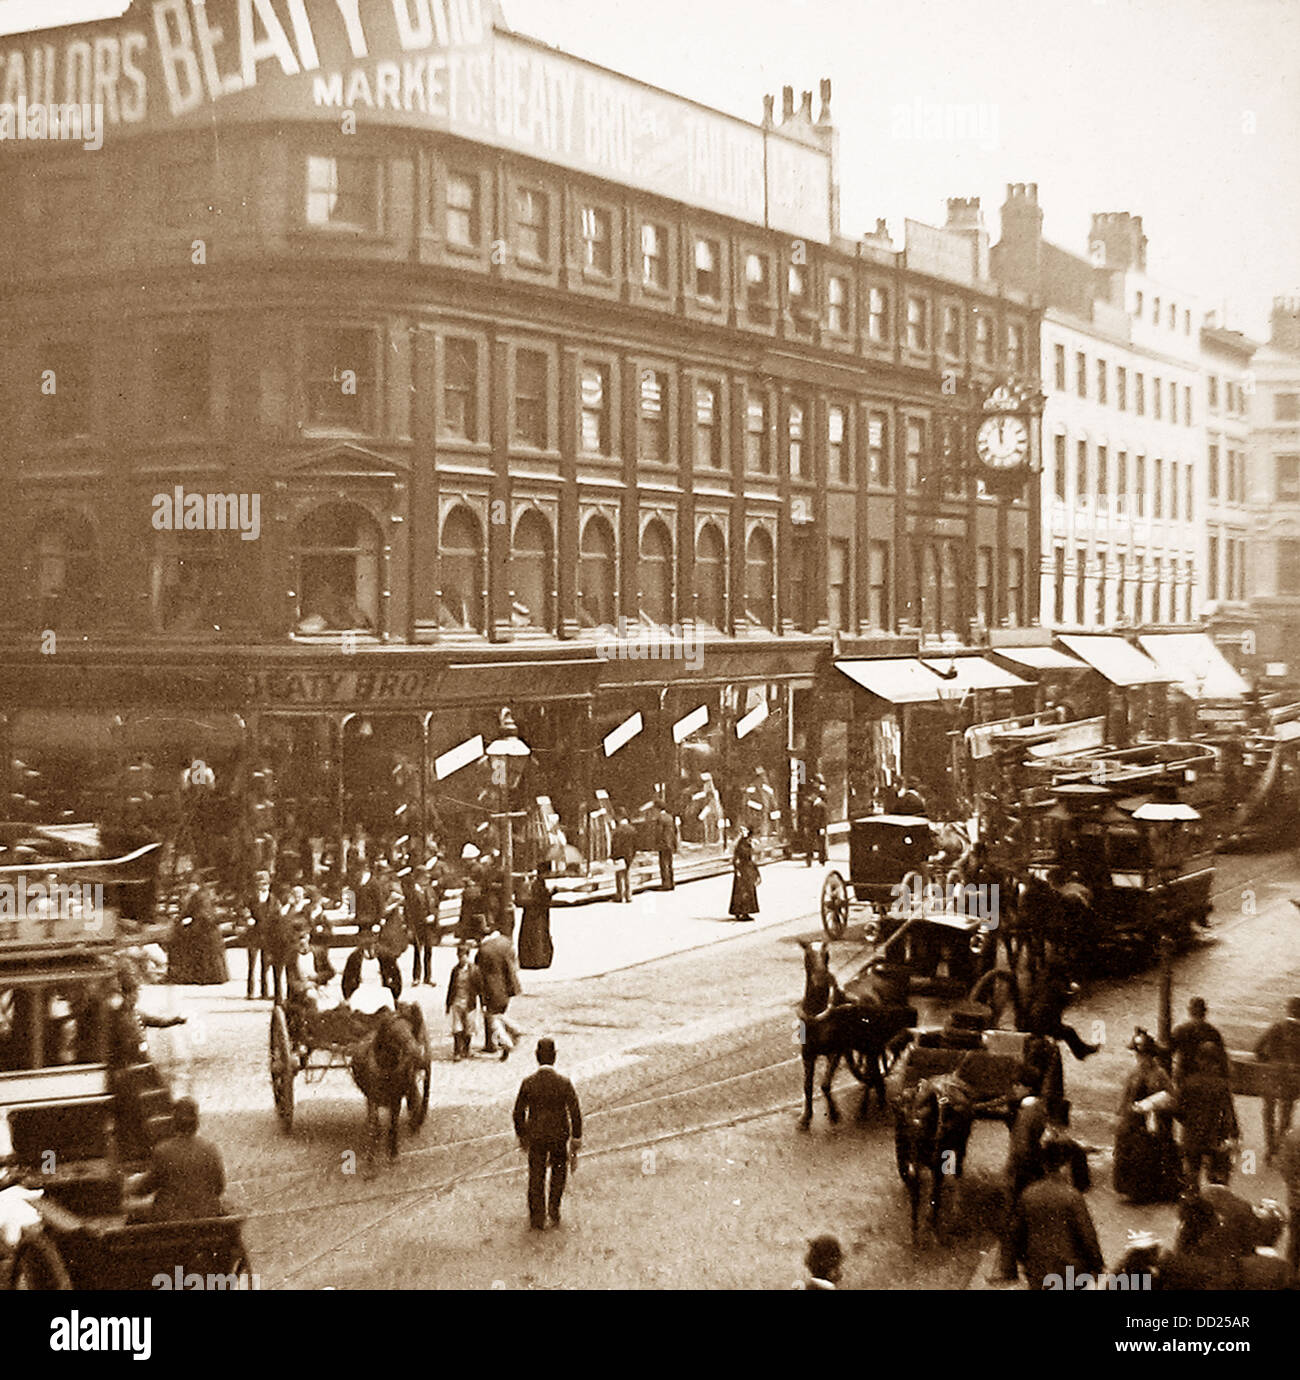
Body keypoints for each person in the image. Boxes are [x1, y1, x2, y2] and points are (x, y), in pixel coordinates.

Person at [1009, 1136, 1105, 1290]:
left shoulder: (1028, 1194)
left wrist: (1025, 1262)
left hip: (1038, 1271)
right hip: (1070, 1272)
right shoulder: (1072, 1196)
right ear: (1066, 1166)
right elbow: (1087, 1234)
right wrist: (1097, 1265)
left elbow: (1017, 1234)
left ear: (1044, 1165)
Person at [512, 1037, 582, 1230]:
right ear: (554, 1057)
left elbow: (518, 1113)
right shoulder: (564, 1083)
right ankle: (554, 1209)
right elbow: (575, 1111)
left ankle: (537, 1217)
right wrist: (576, 1136)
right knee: (559, 1172)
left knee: (536, 1175)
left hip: (536, 1136)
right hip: (559, 1136)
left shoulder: (528, 1083)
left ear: (537, 1056)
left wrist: (523, 1135)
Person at [127, 1096, 225, 1223]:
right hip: (207, 1215)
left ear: (174, 1122)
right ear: (196, 1122)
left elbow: (146, 1188)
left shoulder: (163, 1150)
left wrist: (132, 1185)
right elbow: (219, 1187)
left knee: (134, 1216)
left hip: (170, 1217)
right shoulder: (210, 1149)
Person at [1113, 1030, 1181, 1205]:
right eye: (1139, 1055)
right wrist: (1123, 1112)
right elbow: (1125, 1098)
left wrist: (1156, 1104)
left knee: (1153, 1150)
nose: (1141, 1059)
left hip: (1154, 1120)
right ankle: (1133, 1190)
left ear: (1151, 1056)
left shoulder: (1159, 1074)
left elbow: (1172, 1098)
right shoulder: (1133, 1074)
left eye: (1144, 1055)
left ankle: (1154, 1190)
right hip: (1134, 1119)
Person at [1176, 1042, 1240, 1189]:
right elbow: (1228, 1112)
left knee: (1192, 1176)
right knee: (1218, 1180)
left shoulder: (1188, 1083)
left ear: (1199, 1061)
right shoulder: (1221, 1085)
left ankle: (1193, 1199)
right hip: (1215, 1136)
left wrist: (1188, 1122)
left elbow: (1178, 1110)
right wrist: (1234, 1132)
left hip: (1192, 1136)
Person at [1254, 996, 1300, 1162]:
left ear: (1288, 1010)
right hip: (1292, 1076)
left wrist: (1268, 1061)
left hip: (1272, 1074)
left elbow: (1257, 1048)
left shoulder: (1277, 1027)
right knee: (1286, 1112)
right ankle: (1281, 1146)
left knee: (1268, 1111)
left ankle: (1270, 1146)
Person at [477, 925, 523, 1059]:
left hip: (492, 990)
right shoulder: (505, 942)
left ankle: (504, 1040)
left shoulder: (484, 951)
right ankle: (510, 1032)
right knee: (500, 1015)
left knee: (492, 1018)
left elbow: (480, 976)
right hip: (508, 987)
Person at [1170, 997, 1227, 1083]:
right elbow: (1223, 1060)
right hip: (1207, 1078)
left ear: (1189, 1010)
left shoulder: (1181, 1030)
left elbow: (1168, 1051)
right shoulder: (1213, 1031)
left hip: (1184, 1076)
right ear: (1205, 1012)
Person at [341, 931, 402, 1009]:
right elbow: (347, 978)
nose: (369, 948)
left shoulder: (386, 956)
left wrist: (394, 994)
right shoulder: (354, 957)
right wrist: (348, 996)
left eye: (371, 944)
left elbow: (396, 976)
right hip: (361, 990)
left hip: (381, 990)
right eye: (366, 945)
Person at [445, 941, 483, 1061]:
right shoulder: (455, 970)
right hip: (457, 1001)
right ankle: (457, 1051)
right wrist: (448, 1004)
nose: (461, 959)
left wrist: (483, 1003)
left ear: (467, 956)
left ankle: (466, 1049)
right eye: (459, 956)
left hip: (469, 1002)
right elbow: (451, 987)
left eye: (463, 956)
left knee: (468, 1027)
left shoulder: (474, 970)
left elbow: (480, 988)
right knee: (457, 1027)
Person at [242, 870, 275, 1000]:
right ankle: (250, 992)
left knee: (265, 964)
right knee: (252, 964)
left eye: (265, 884)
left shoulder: (273, 899)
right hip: (254, 934)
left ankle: (264, 992)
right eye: (260, 884)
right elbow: (243, 909)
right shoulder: (251, 898)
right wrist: (248, 918)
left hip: (267, 934)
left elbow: (277, 914)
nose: (263, 886)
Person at [518, 867, 554, 970]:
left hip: (529, 913)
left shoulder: (527, 883)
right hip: (538, 914)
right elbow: (542, 897)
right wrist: (552, 892)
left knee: (530, 936)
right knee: (538, 936)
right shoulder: (538, 882)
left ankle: (528, 960)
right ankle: (538, 960)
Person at [1281, 1123, 1300, 1275]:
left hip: (1297, 1201)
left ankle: (1290, 1277)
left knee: (1295, 1243)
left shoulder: (1294, 1136)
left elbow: (1286, 1168)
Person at [729, 828, 760, 922]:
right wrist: (737, 869)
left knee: (748, 890)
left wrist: (756, 871)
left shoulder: (749, 843)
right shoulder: (740, 844)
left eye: (745, 831)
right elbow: (736, 858)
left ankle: (746, 912)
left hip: (748, 869)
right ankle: (739, 912)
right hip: (742, 869)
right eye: (743, 831)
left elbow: (752, 858)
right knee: (740, 891)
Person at [611, 814, 638, 903]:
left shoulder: (617, 831)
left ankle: (620, 895)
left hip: (620, 855)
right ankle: (628, 895)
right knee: (628, 874)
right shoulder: (632, 829)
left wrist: (613, 856)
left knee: (619, 875)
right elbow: (636, 844)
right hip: (629, 855)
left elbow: (615, 845)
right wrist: (633, 854)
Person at [652, 803, 678, 891]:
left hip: (663, 843)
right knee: (670, 864)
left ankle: (666, 884)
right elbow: (674, 831)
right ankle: (671, 882)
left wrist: (656, 843)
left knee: (664, 864)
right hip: (670, 843)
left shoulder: (660, 818)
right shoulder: (670, 817)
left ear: (658, 809)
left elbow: (659, 832)